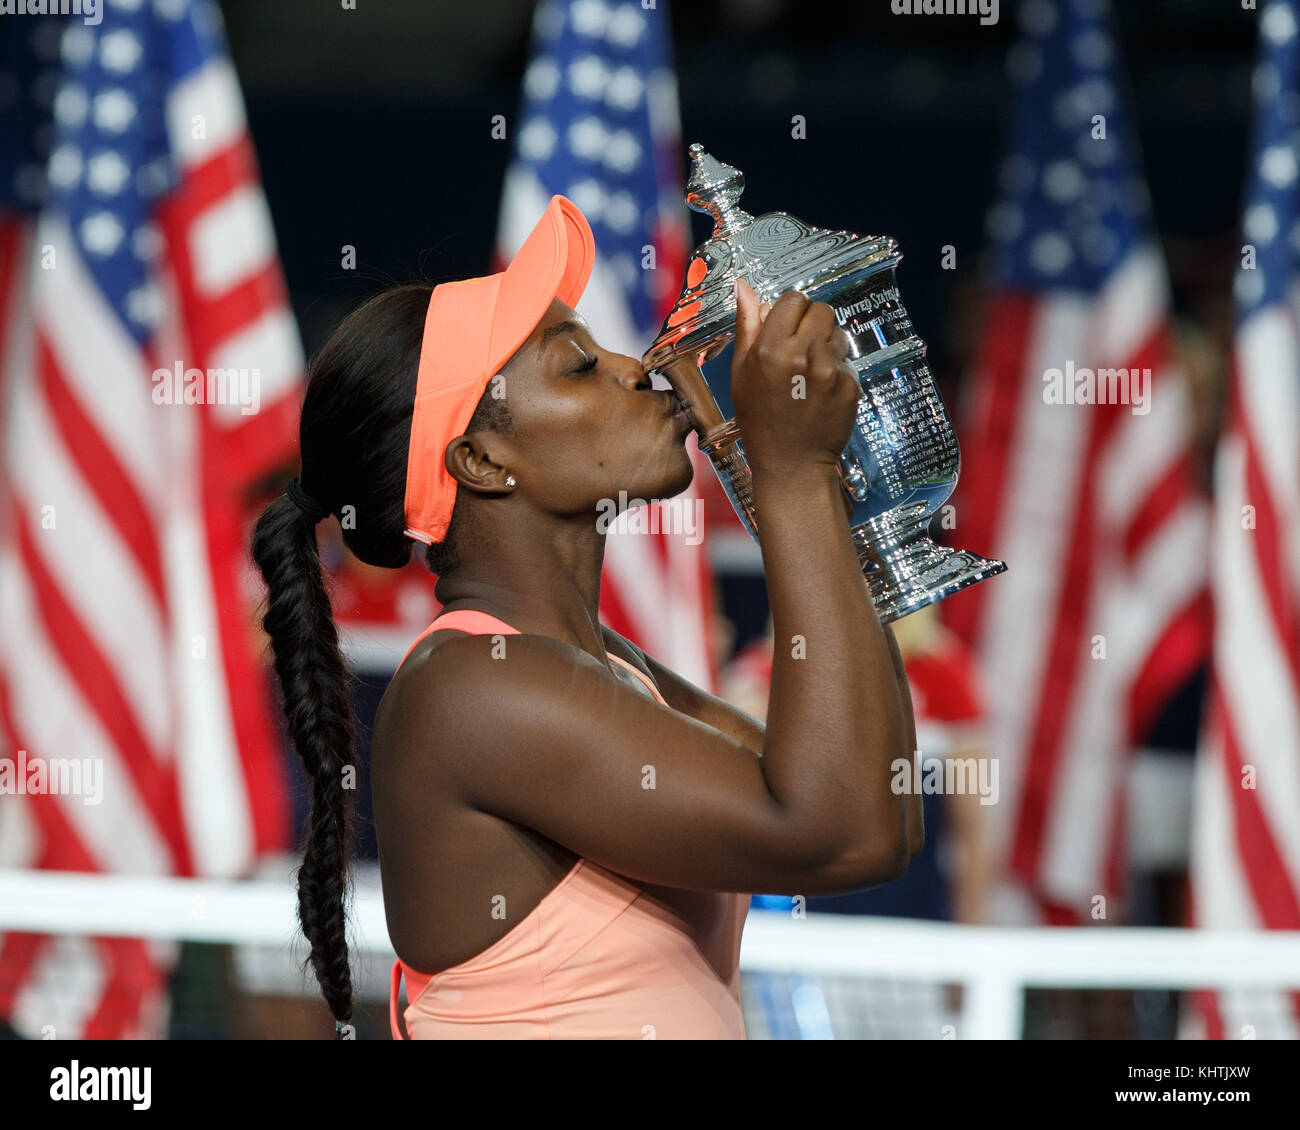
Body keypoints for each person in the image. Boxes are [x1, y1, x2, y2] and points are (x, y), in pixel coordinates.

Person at [250, 194, 921, 1039]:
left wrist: (798, 473)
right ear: (483, 461)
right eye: (577, 366)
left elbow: (877, 802)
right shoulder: (471, 690)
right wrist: (796, 474)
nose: (635, 365)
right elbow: (839, 833)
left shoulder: (602, 668)